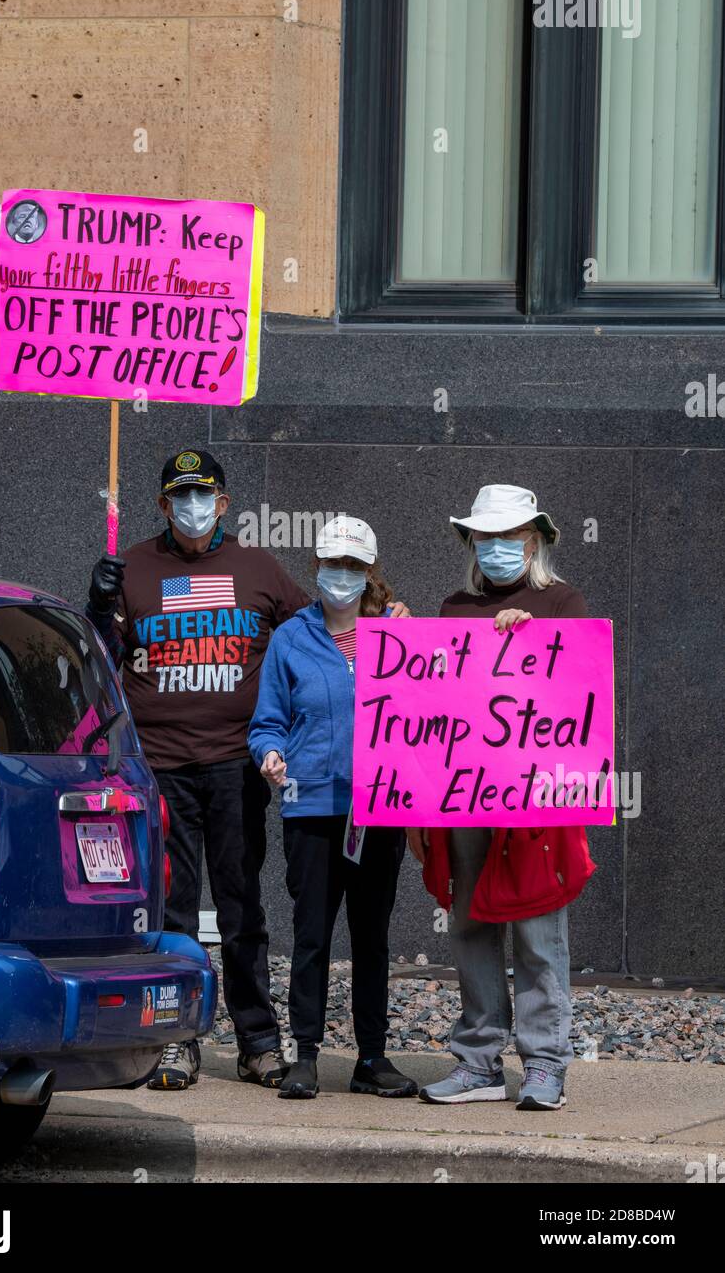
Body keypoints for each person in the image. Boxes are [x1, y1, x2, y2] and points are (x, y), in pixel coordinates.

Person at [87, 450, 409, 1091]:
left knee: (242, 910)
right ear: (161, 505)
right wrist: (98, 607)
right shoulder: (134, 569)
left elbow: (321, 634)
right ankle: (177, 1040)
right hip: (161, 767)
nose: (193, 506)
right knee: (173, 914)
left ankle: (259, 1042)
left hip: (238, 767)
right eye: (180, 495)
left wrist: (391, 623)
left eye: (204, 494)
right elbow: (100, 657)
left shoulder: (259, 568)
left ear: (225, 503)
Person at [408, 485, 596, 1112]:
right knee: (471, 924)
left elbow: (581, 698)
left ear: (534, 540)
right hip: (466, 795)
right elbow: (433, 704)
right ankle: (479, 1061)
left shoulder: (563, 603)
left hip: (536, 798)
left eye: (507, 537)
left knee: (539, 928)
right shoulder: (453, 606)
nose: (495, 549)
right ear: (471, 544)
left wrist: (533, 637)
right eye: (484, 538)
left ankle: (545, 1063)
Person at [249, 516, 418, 1100]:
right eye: (330, 564)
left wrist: (418, 643)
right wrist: (270, 752)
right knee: (312, 936)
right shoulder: (291, 637)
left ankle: (372, 1057)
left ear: (368, 571)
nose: (339, 575)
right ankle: (306, 1055)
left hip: (378, 809)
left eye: (351, 566)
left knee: (371, 938)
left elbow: (431, 707)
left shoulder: (397, 636)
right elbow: (267, 720)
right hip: (311, 808)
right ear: (316, 566)